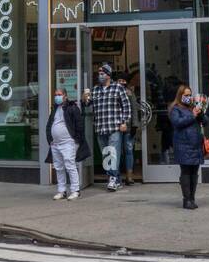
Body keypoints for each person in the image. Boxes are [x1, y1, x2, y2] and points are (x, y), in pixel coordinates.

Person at [82, 62, 130, 191]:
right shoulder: (95, 90)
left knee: (112, 153)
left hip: (114, 127)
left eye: (102, 73)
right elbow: (87, 104)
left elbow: (126, 106)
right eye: (99, 73)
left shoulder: (118, 88)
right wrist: (84, 97)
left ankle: (112, 179)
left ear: (108, 75)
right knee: (105, 154)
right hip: (100, 127)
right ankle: (117, 179)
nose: (100, 75)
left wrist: (124, 122)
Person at [44, 87, 89, 201]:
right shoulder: (54, 109)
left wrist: (76, 140)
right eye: (55, 95)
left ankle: (75, 191)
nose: (57, 97)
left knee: (70, 166)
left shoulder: (72, 108)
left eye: (59, 94)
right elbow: (49, 124)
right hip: (55, 144)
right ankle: (61, 190)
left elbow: (79, 125)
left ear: (65, 96)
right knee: (58, 167)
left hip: (68, 142)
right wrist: (50, 139)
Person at [168, 84, 208, 210]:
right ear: (180, 96)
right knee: (186, 171)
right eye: (186, 95)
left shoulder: (193, 108)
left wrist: (200, 113)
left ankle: (192, 198)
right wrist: (193, 115)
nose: (188, 97)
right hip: (183, 144)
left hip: (195, 144)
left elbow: (206, 122)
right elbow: (177, 123)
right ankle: (186, 199)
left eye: (190, 95)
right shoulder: (175, 109)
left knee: (194, 172)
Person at [118, 72, 141, 185]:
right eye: (119, 80)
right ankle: (116, 176)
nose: (122, 82)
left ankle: (129, 176)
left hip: (128, 127)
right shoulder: (112, 92)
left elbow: (134, 110)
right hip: (116, 128)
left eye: (123, 80)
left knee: (128, 151)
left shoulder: (130, 93)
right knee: (117, 152)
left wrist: (135, 125)